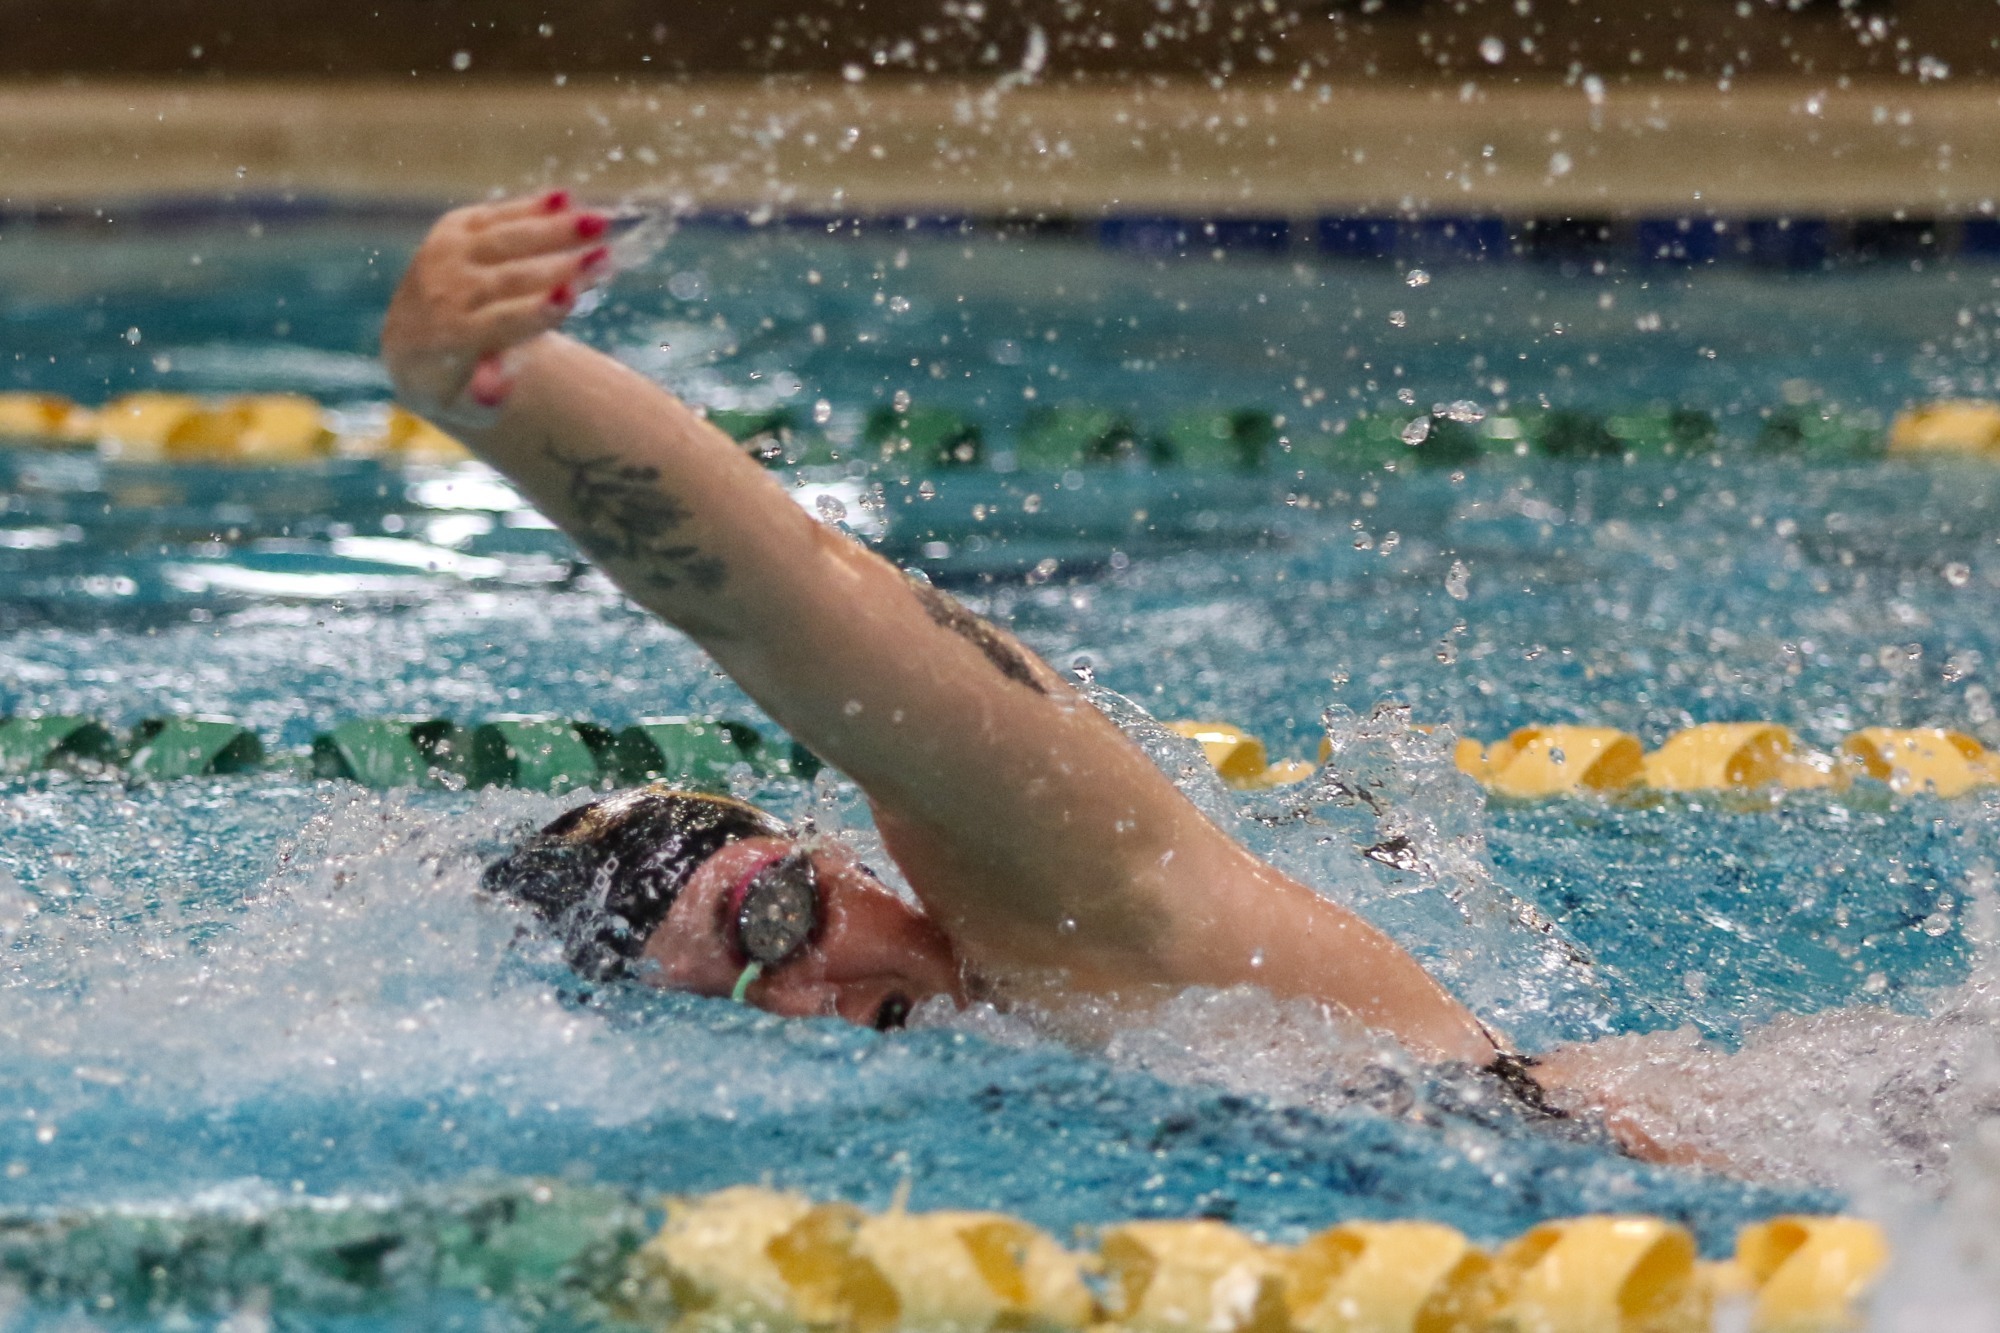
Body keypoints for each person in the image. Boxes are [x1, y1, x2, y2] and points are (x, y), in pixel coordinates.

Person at [382, 192, 1609, 1142]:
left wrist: (494, 396)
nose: (807, 1001)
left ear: (828, 858)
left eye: (772, 913)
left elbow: (790, 601)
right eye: (725, 1013)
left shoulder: (1086, 926)